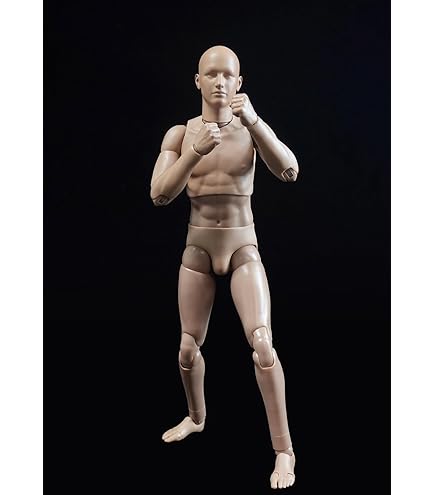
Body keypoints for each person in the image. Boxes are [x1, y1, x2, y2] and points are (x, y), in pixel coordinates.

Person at [150, 45, 299, 489]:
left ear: (239, 82)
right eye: (211, 74)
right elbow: (159, 194)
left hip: (241, 246)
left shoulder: (250, 129)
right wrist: (193, 153)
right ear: (197, 81)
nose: (219, 81)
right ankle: (196, 418)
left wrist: (254, 121)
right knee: (186, 349)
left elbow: (289, 171)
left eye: (227, 74)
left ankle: (284, 450)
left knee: (263, 344)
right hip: (197, 249)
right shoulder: (181, 134)